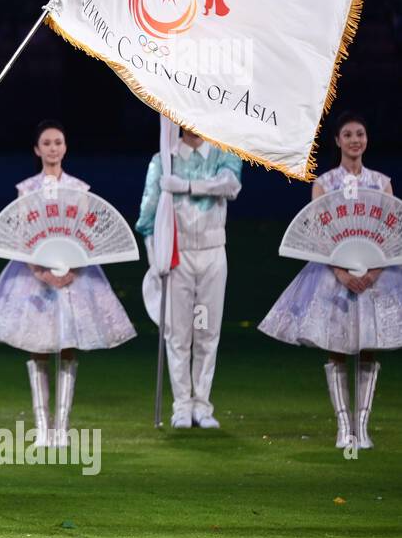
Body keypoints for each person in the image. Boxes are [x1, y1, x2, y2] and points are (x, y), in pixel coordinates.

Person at [0, 121, 135, 447]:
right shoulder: (26, 189)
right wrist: (40, 271)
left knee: (68, 345)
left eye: (58, 142)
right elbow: (22, 235)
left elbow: (86, 234)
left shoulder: (80, 189)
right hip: (33, 276)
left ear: (65, 147)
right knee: (38, 345)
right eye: (47, 143)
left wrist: (73, 268)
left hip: (74, 275)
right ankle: (43, 427)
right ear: (37, 149)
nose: (53, 148)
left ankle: (62, 428)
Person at [259, 112, 400, 448]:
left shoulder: (381, 182)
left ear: (367, 140)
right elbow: (320, 234)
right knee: (337, 348)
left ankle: (362, 427)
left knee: (368, 347)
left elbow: (390, 233)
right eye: (348, 134)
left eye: (360, 134)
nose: (355, 140)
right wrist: (339, 271)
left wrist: (374, 271)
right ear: (337, 141)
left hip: (373, 276)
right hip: (333, 276)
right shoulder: (324, 182)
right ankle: (343, 427)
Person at [134, 127, 242, 429]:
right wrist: (155, 257)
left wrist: (187, 186)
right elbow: (147, 215)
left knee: (205, 329)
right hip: (178, 256)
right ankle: (181, 404)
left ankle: (201, 405)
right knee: (178, 333)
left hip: (211, 254)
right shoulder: (164, 160)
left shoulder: (223, 153)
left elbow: (230, 186)